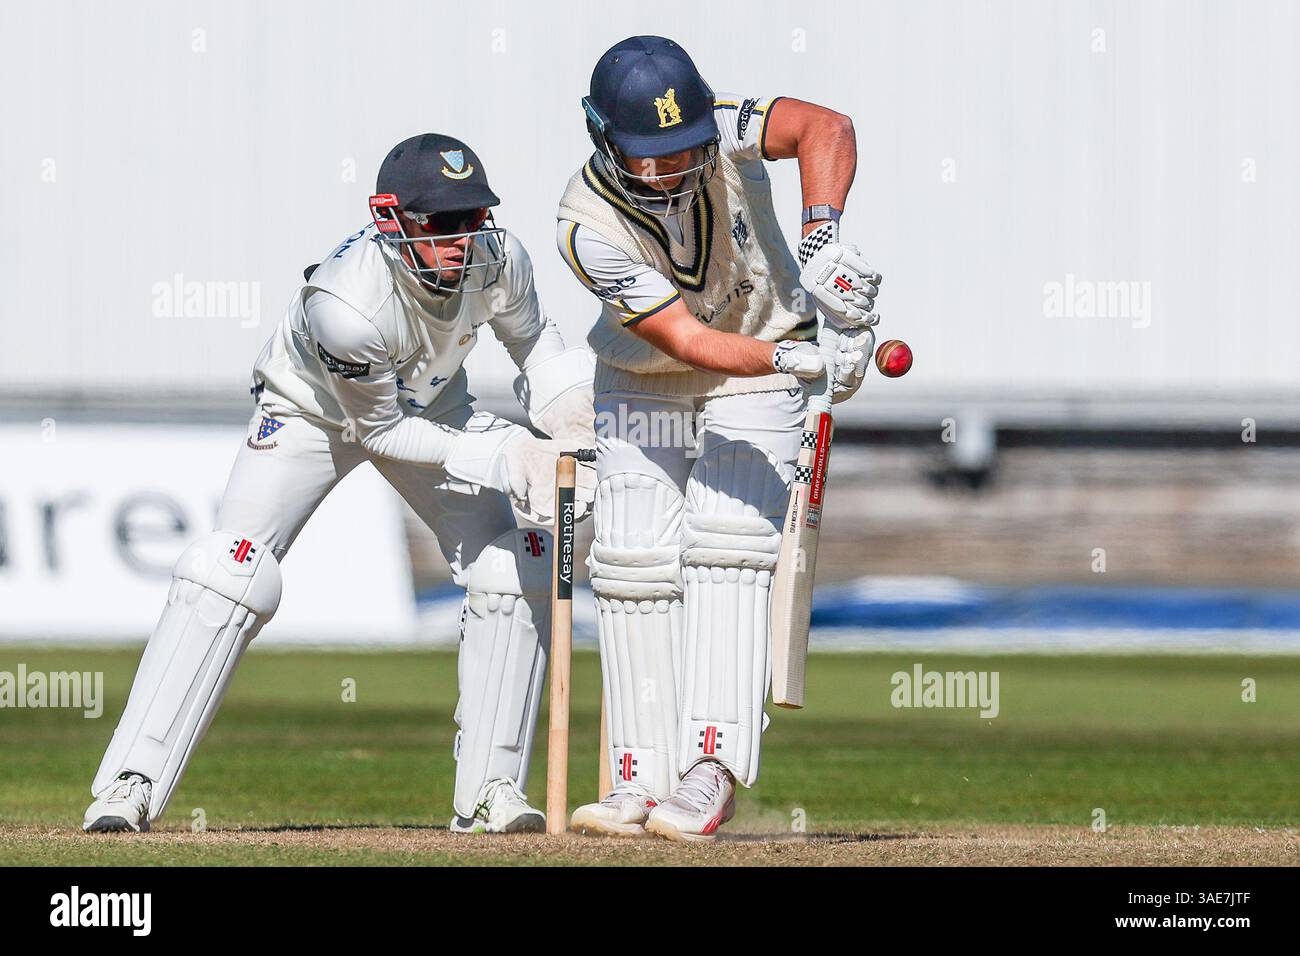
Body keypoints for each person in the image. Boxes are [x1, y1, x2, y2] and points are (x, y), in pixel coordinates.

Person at [83, 133, 596, 835]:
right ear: (393, 220)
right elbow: (380, 432)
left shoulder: (501, 260)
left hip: (435, 404)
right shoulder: (344, 306)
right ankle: (127, 784)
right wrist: (508, 454)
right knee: (227, 573)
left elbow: (537, 344)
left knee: (512, 567)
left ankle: (491, 792)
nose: (464, 238)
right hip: (310, 412)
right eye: (443, 222)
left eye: (474, 217)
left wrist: (571, 424)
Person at [556, 36, 881, 841]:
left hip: (765, 358)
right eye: (650, 159)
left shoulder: (725, 127)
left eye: (685, 152)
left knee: (728, 546)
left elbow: (826, 127)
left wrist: (822, 237)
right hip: (653, 367)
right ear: (605, 141)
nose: (672, 171)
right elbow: (688, 342)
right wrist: (799, 355)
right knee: (631, 559)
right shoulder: (584, 223)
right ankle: (637, 773)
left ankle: (710, 767)